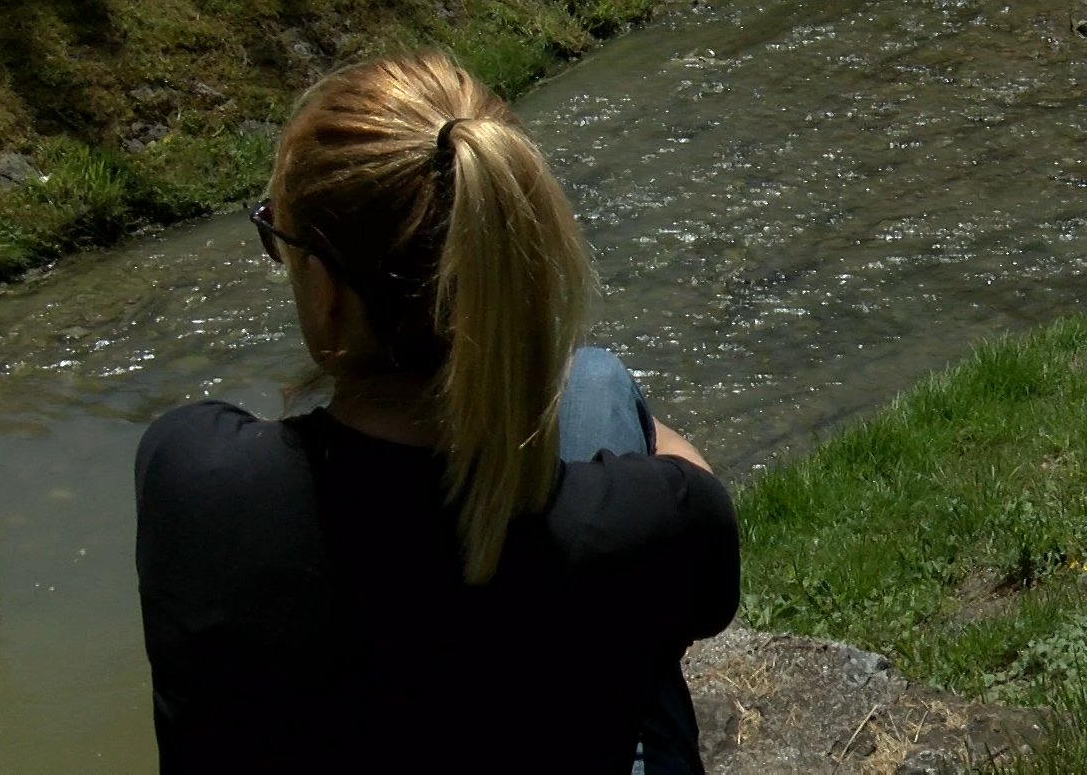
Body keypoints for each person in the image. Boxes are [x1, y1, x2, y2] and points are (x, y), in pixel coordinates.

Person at [134, 52, 739, 773]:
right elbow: (705, 536)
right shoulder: (636, 528)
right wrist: (515, 389)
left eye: (279, 237)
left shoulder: (190, 473)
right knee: (592, 379)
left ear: (327, 292)